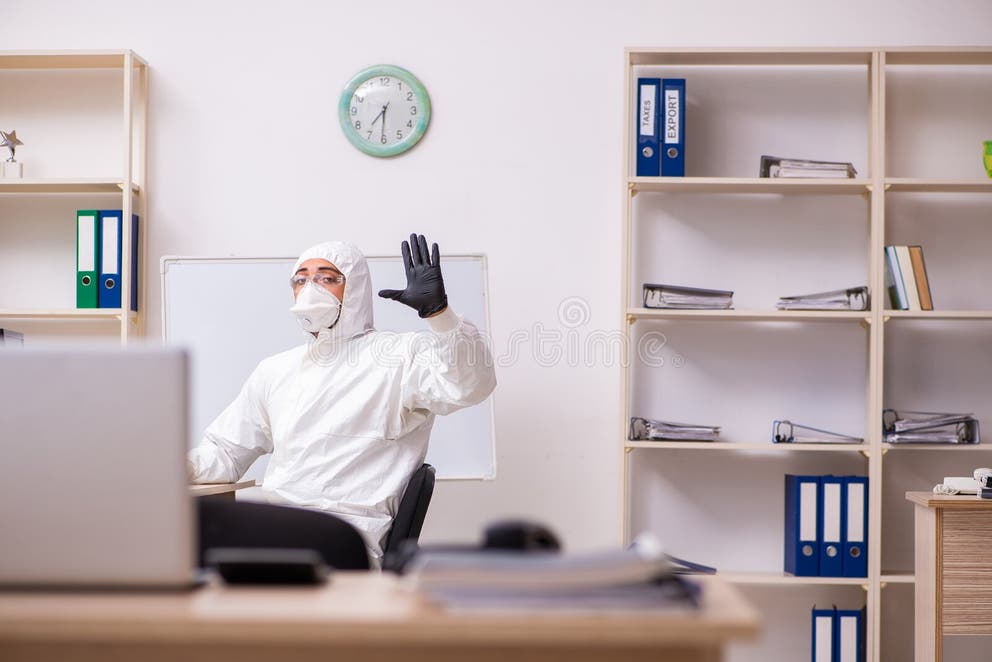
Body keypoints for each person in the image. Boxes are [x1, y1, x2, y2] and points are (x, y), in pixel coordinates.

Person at [187, 234, 496, 563]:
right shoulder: (276, 371)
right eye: (301, 280)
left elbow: (470, 385)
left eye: (327, 279)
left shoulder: (398, 357)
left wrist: (440, 315)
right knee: (197, 532)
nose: (310, 288)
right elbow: (226, 452)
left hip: (349, 536)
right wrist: (171, 467)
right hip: (279, 528)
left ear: (355, 289)